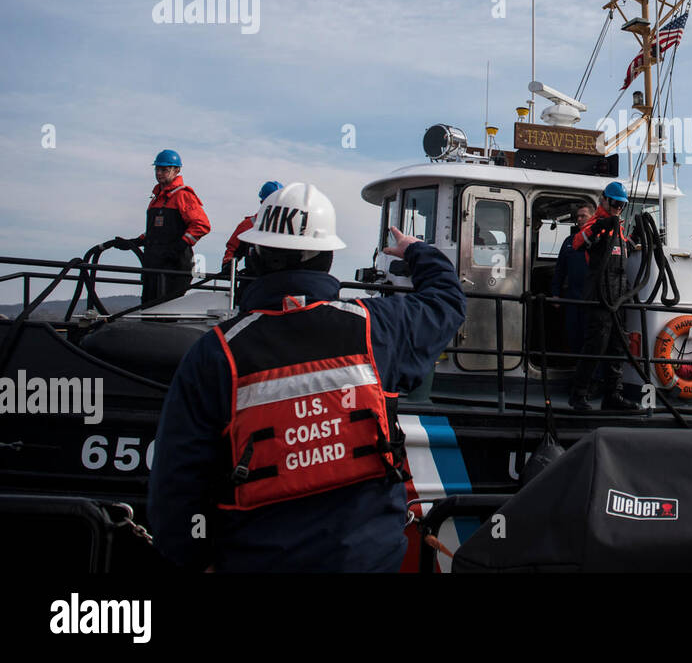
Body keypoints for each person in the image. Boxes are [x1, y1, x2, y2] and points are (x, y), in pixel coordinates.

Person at [147, 182, 467, 571]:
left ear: (257, 256)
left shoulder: (215, 354)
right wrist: (417, 251)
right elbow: (447, 300)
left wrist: (196, 560)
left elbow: (176, 490)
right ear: (329, 259)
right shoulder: (378, 329)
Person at [568, 183, 638, 412]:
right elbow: (578, 243)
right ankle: (578, 396)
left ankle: (613, 396)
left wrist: (636, 238)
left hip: (618, 295)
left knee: (618, 347)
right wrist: (599, 226)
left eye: (622, 204)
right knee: (595, 346)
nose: (618, 208)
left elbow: (622, 248)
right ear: (605, 200)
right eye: (615, 203)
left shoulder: (619, 227)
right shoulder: (596, 222)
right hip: (599, 294)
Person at [115, 149, 210, 303]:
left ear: (176, 170)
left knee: (166, 311)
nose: (159, 173)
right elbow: (156, 231)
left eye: (164, 170)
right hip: (154, 264)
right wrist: (133, 242)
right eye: (157, 169)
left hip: (174, 266)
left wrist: (179, 246)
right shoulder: (157, 198)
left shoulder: (182, 195)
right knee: (148, 308)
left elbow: (202, 225)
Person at [553, 203, 594, 367]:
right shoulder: (569, 242)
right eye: (577, 216)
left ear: (593, 217)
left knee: (590, 340)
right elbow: (560, 269)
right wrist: (555, 293)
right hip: (572, 298)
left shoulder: (599, 241)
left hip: (592, 300)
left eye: (583, 216)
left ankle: (591, 380)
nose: (579, 219)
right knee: (573, 337)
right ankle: (577, 375)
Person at [222, 180, 283, 269]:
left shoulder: (291, 226)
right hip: (253, 278)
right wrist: (228, 264)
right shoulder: (248, 225)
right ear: (263, 203)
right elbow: (233, 248)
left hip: (281, 277)